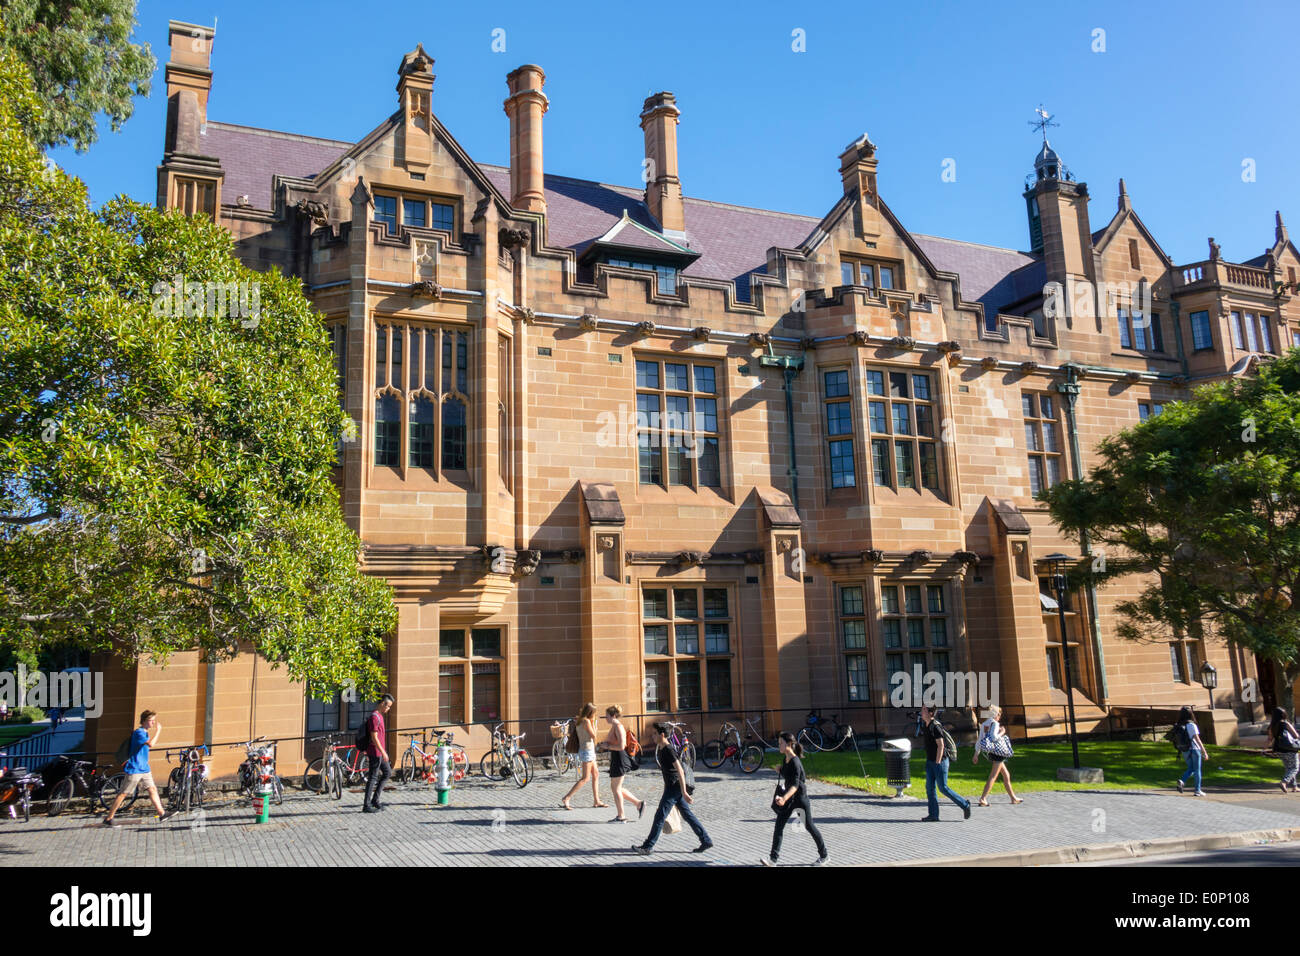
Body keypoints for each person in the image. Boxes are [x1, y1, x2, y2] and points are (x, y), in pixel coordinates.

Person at [633, 722, 712, 855]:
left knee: (660, 816)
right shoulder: (662, 748)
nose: (652, 736)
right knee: (687, 815)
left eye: (654, 734)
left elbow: (680, 771)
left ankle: (648, 846)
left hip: (674, 788)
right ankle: (706, 840)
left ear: (662, 735)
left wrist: (684, 792)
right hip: (671, 787)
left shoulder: (669, 749)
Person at [761, 732, 828, 866]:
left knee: (809, 826)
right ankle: (773, 860)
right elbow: (789, 776)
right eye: (779, 743)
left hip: (799, 800)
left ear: (789, 744)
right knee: (779, 826)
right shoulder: (786, 759)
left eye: (781, 743)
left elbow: (795, 785)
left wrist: (784, 798)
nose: (778, 745)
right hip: (789, 800)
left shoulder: (795, 762)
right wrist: (781, 769)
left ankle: (824, 856)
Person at [103, 709, 174, 825]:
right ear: (145, 721)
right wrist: (158, 731)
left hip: (144, 768)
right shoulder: (139, 733)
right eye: (151, 720)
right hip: (135, 768)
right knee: (123, 793)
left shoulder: (144, 733)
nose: (153, 723)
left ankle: (162, 813)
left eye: (154, 721)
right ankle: (109, 818)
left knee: (152, 789)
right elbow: (151, 744)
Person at [920, 705, 970, 821]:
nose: (921, 712)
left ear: (931, 713)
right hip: (930, 761)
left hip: (940, 762)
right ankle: (933, 815)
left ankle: (965, 804)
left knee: (943, 788)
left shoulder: (935, 727)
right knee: (930, 788)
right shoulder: (925, 725)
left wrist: (937, 762)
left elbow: (941, 745)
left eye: (924, 710)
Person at [600, 705, 644, 822]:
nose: (606, 718)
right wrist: (605, 744)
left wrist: (608, 746)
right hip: (616, 758)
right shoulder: (615, 726)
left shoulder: (618, 726)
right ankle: (638, 803)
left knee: (616, 788)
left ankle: (621, 815)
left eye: (607, 716)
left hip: (620, 758)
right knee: (616, 787)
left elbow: (622, 745)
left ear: (613, 716)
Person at [561, 702, 607, 810]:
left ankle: (596, 800)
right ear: (591, 712)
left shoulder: (580, 720)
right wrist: (595, 725)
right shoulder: (586, 721)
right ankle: (567, 797)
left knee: (595, 774)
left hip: (586, 750)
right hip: (587, 751)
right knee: (585, 778)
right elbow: (594, 735)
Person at [974, 704, 1023, 806]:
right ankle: (983, 798)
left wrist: (976, 754)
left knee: (1006, 775)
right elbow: (994, 737)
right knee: (993, 776)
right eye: (999, 714)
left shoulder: (985, 724)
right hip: (998, 753)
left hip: (991, 752)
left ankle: (1013, 798)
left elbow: (980, 740)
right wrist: (1002, 732)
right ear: (996, 714)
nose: (1000, 716)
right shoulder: (995, 723)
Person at [362, 694, 394, 813]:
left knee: (387, 773)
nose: (388, 709)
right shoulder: (375, 717)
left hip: (379, 753)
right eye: (388, 706)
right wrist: (383, 752)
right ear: (382, 704)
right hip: (375, 752)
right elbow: (374, 737)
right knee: (373, 777)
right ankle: (366, 805)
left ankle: (375, 800)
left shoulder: (379, 716)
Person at [1174, 705, 1208, 797]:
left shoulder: (1179, 725)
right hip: (1194, 749)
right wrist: (1204, 751)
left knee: (1191, 768)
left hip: (1185, 750)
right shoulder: (1192, 725)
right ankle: (1197, 790)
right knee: (1197, 770)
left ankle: (1182, 781)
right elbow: (1198, 739)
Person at [1269, 707, 1300, 792]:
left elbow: (1270, 738)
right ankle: (1284, 782)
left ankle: (1294, 786)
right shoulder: (1285, 723)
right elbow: (1296, 736)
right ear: (1283, 714)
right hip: (1289, 748)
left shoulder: (1272, 725)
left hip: (1279, 749)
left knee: (1288, 767)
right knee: (1295, 767)